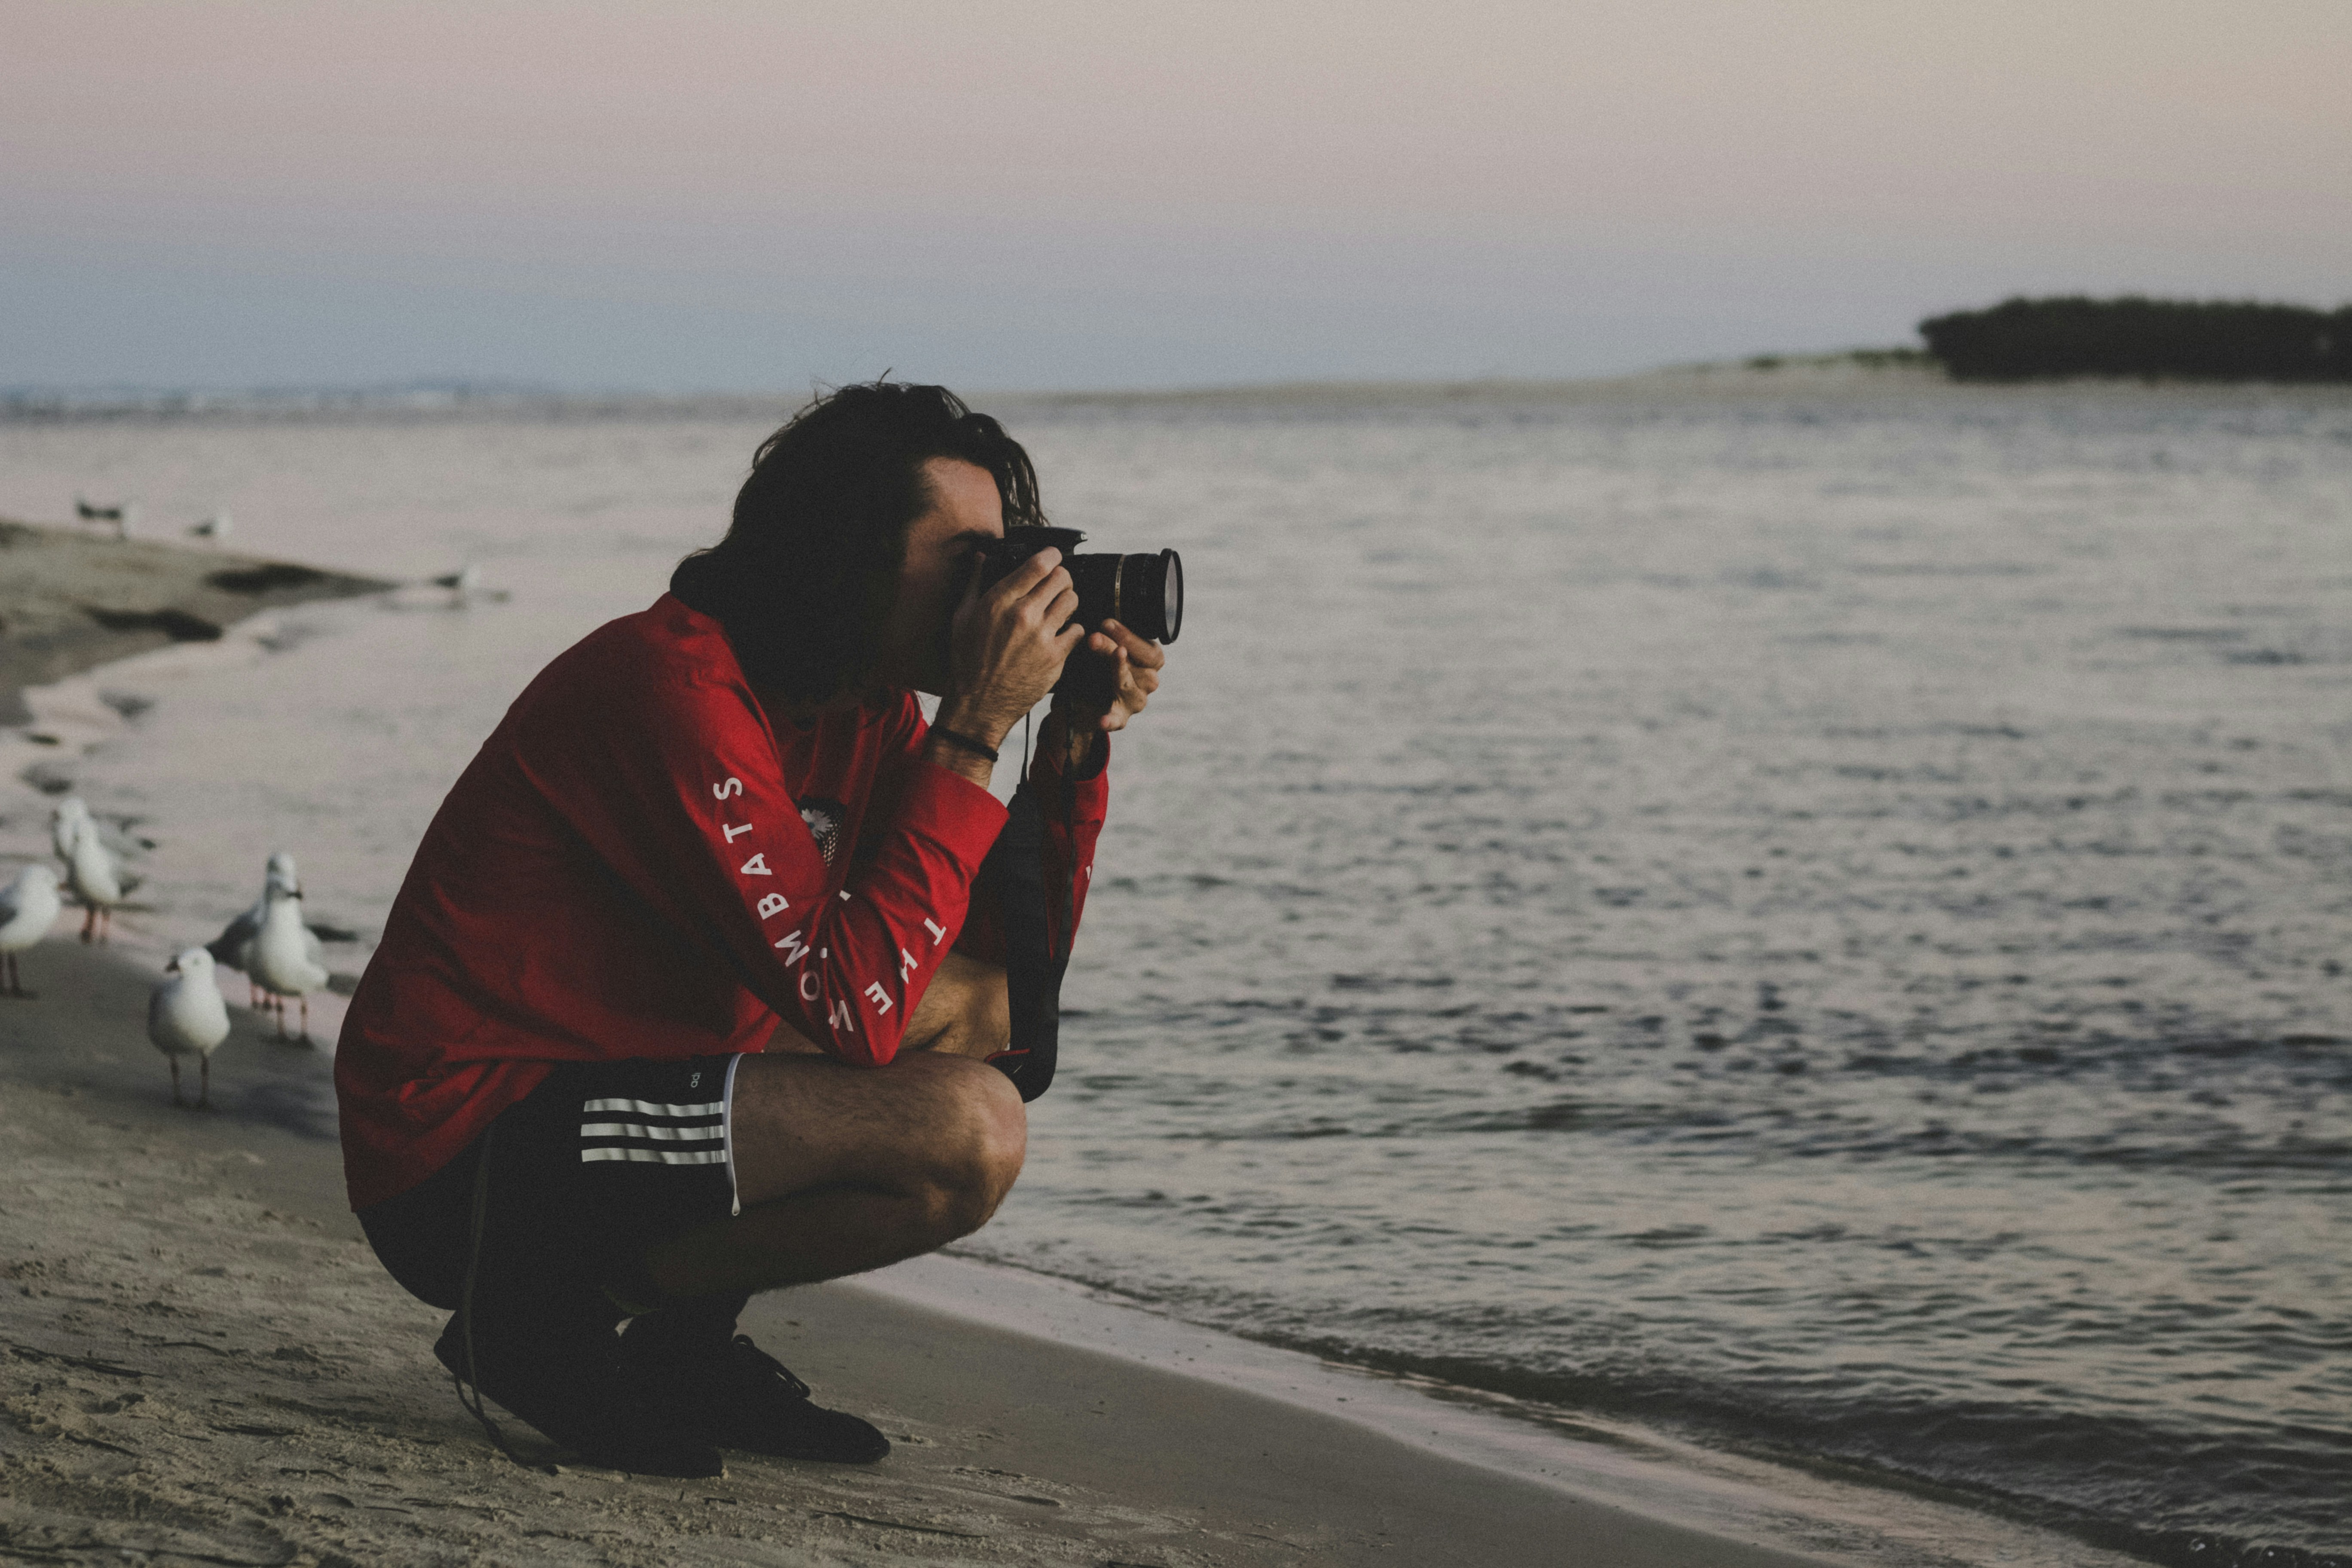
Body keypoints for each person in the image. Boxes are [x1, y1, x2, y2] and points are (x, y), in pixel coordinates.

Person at [333, 382, 1167, 1478]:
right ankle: (529, 1319)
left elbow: (1002, 971)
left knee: (985, 1011)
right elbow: (855, 1007)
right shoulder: (674, 685)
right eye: (969, 562)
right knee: (970, 1134)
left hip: (611, 1086)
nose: (1006, 592)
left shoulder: (862, 707)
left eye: (1006, 560)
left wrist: (1066, 749)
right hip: (461, 1151)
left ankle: (682, 1353)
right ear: (846, 558)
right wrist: (972, 728)